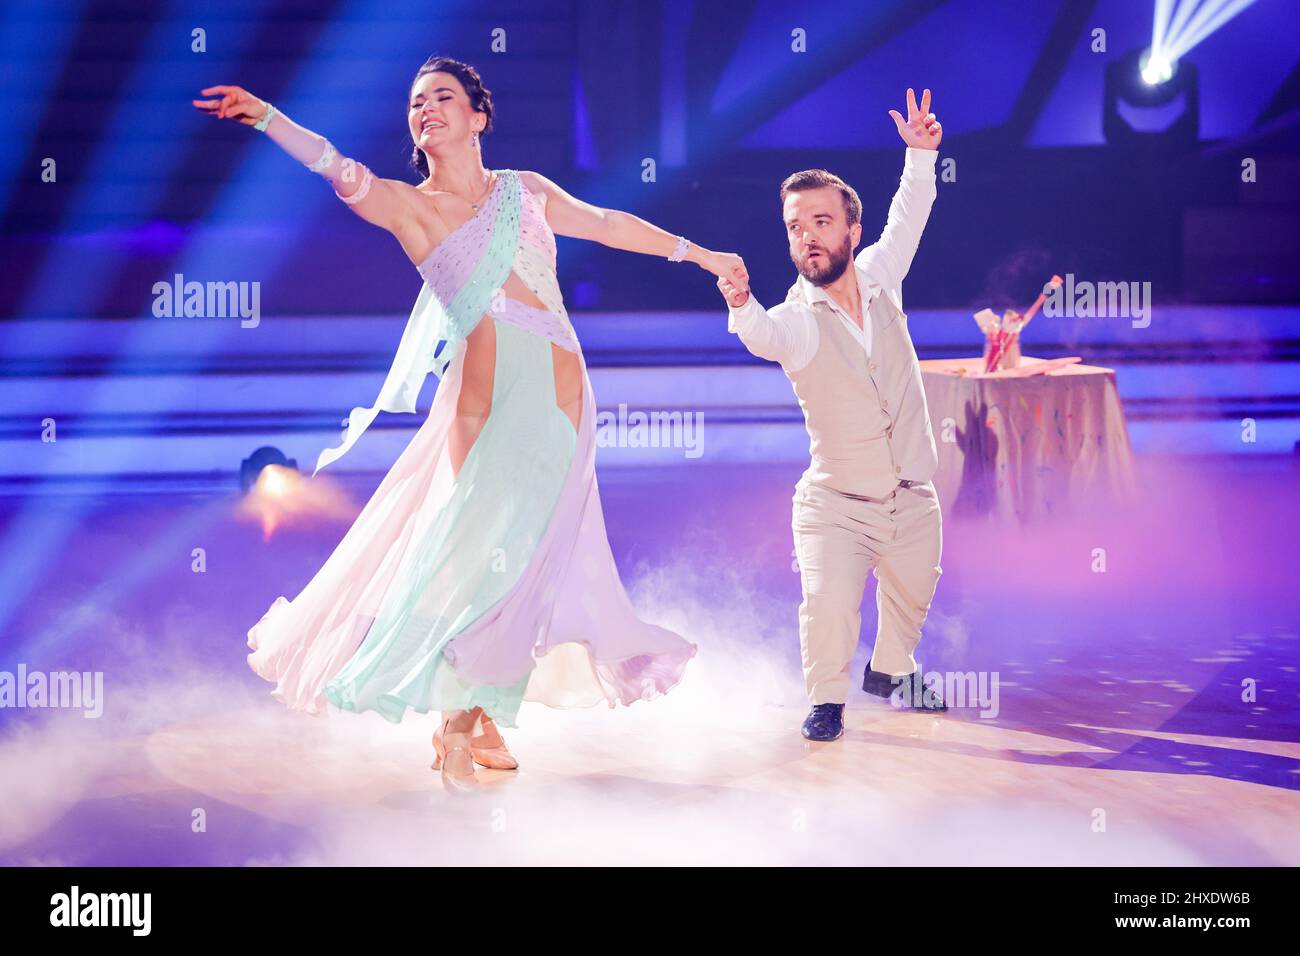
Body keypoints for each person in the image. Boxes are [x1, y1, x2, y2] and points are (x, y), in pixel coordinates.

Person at [194, 55, 749, 791]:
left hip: (566, 402)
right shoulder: (408, 206)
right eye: (416, 102)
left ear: (478, 116)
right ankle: (461, 722)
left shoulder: (525, 191)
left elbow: (609, 223)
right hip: (486, 408)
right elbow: (335, 165)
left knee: (528, 560)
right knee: (482, 555)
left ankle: (476, 714)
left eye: (443, 97)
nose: (426, 108)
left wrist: (703, 255)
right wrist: (267, 117)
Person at [716, 88, 947, 743]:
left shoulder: (880, 277)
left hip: (912, 492)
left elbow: (909, 216)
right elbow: (764, 336)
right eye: (795, 226)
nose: (806, 236)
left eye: (820, 221)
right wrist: (740, 302)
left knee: (914, 590)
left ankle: (891, 672)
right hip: (836, 503)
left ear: (851, 231)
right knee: (829, 605)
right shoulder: (797, 322)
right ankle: (826, 701)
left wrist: (921, 155)